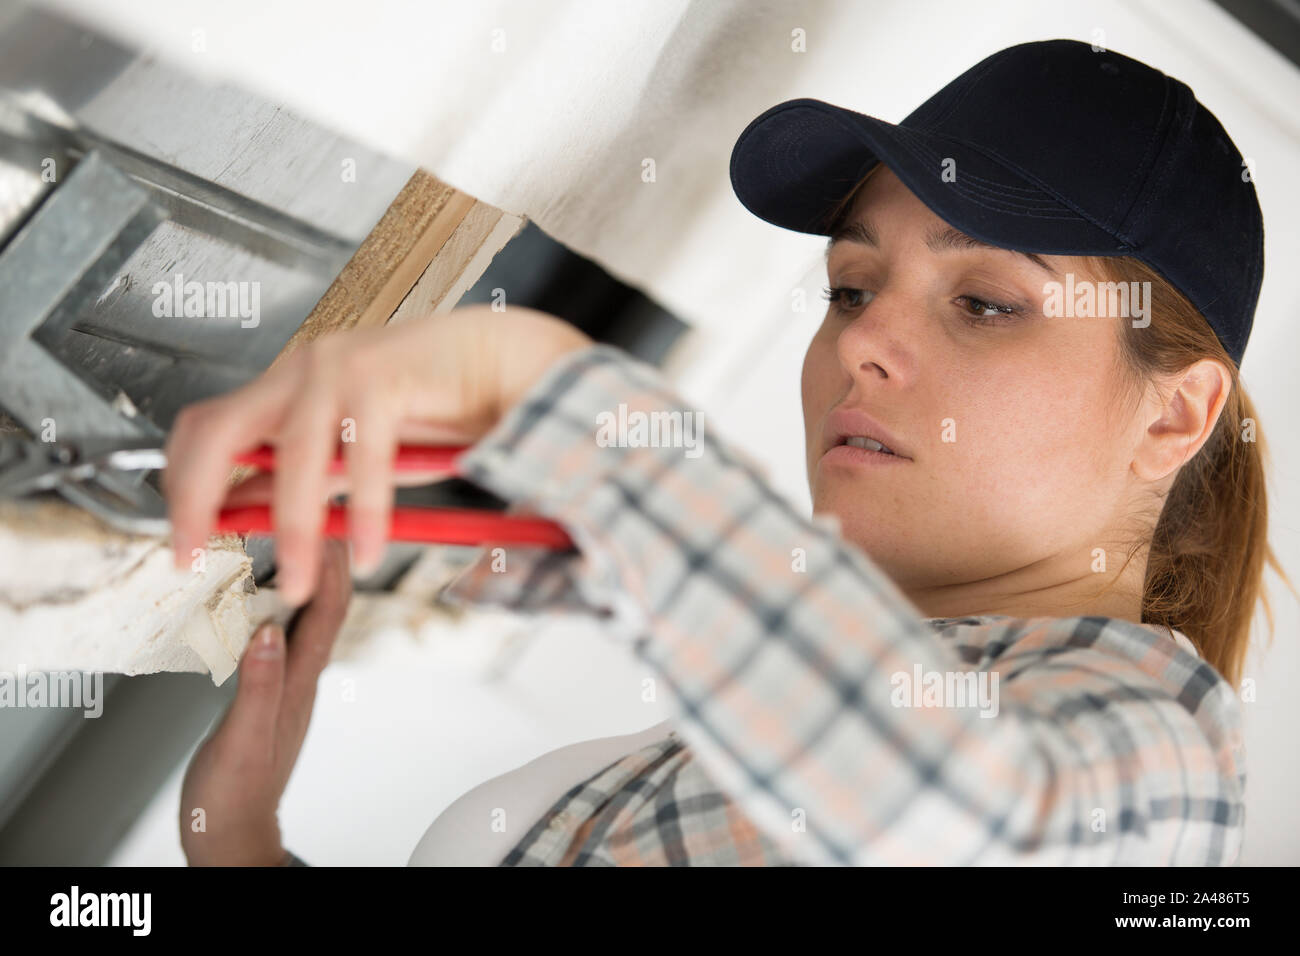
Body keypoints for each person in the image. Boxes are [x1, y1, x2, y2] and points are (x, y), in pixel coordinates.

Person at [174, 39, 1287, 866]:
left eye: (987, 304)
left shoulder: (1155, 770)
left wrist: (546, 389)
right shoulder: (757, 730)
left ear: (1173, 419)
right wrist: (243, 850)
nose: (863, 341)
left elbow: (951, 820)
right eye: (850, 286)